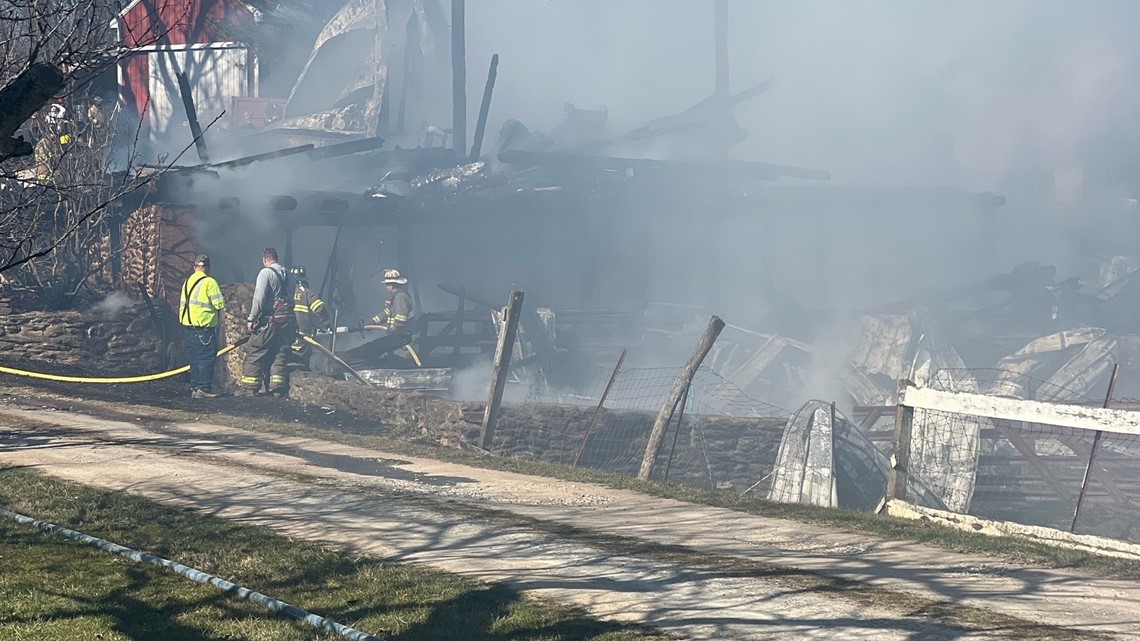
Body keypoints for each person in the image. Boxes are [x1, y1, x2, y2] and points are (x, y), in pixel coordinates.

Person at [239, 248, 295, 396]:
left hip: (269, 320)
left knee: (256, 351)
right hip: (287, 320)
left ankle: (250, 388)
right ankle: (277, 387)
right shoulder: (289, 274)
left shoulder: (265, 273)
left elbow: (259, 298)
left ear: (265, 260)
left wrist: (252, 318)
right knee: (280, 352)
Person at [179, 254, 226, 398]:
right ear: (207, 268)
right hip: (203, 328)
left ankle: (195, 387)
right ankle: (204, 389)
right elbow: (219, 304)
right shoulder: (209, 282)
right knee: (206, 357)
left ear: (195, 267)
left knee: (194, 359)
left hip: (188, 327)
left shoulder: (188, 281)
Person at [289, 265, 331, 368]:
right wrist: (327, 323)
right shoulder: (306, 293)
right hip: (304, 339)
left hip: (287, 337)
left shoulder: (285, 292)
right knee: (304, 366)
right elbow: (319, 307)